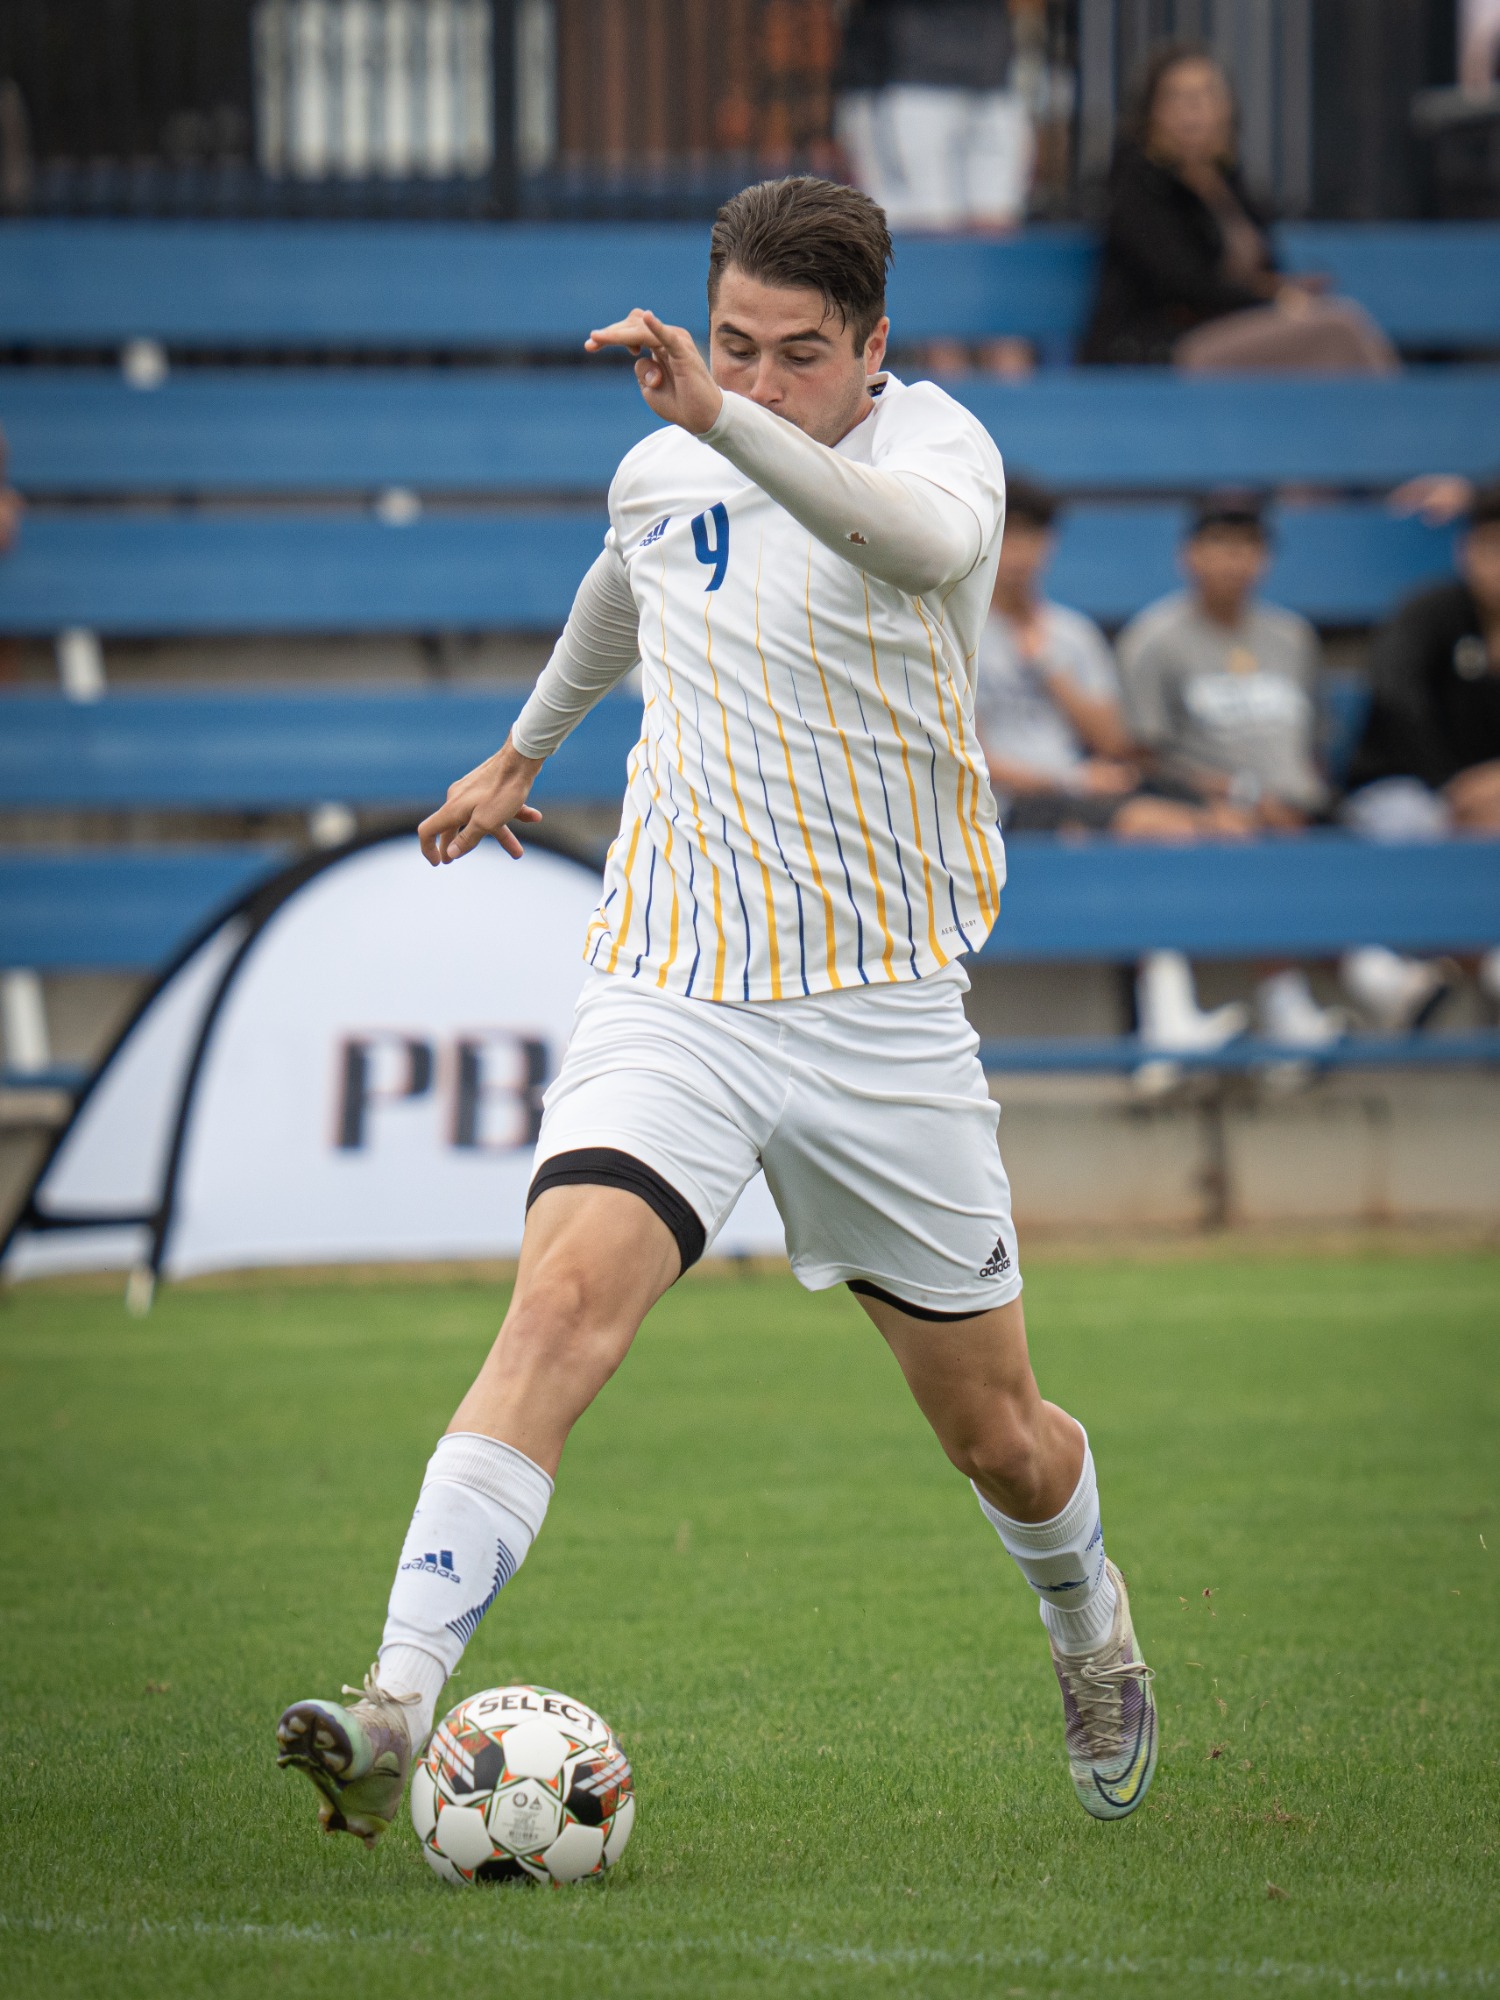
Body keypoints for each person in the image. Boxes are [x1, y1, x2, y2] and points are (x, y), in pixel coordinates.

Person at [275, 177, 1156, 1844]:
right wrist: (524, 752)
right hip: (676, 985)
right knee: (556, 1313)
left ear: (875, 347)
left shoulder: (937, 457)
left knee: (1001, 1440)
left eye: (797, 357)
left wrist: (721, 426)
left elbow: (917, 547)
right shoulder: (668, 460)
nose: (753, 382)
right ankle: (392, 1700)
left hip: (881, 1016)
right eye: (732, 346)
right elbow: (627, 578)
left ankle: (1086, 1618)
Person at [1118, 494, 1348, 1049]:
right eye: (1218, 545)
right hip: (1214, 809)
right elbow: (1143, 755)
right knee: (1239, 840)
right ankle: (1290, 1005)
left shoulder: (1294, 637)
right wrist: (1242, 795)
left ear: (1265, 558)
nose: (1233, 560)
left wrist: (1301, 801)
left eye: (1248, 546)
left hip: (1301, 809)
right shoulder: (1154, 638)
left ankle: (1368, 981)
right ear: (1187, 556)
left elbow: (1314, 742)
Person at [1079, 42, 1396, 374]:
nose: (1194, 108)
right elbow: (1184, 281)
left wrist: (1281, 289)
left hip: (1236, 330)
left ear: (1226, 106)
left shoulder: (1228, 182)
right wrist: (1273, 298)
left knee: (1333, 341)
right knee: (1339, 329)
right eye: (1178, 97)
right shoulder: (1139, 186)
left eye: (1205, 95)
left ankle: (1388, 420)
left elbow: (1260, 267)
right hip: (1170, 346)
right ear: (1152, 111)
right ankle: (1398, 421)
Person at [974, 472, 1241, 839]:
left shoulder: (1074, 634)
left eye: (1032, 535)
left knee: (1223, 818)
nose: (1020, 552)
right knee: (1161, 825)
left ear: (1049, 543)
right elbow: (972, 759)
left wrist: (1051, 668)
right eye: (1009, 535)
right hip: (1010, 804)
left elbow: (1113, 742)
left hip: (1082, 793)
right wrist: (1072, 780)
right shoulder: (963, 635)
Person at [1342, 480, 1500, 1025]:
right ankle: (1453, 963)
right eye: (1492, 547)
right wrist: (1452, 783)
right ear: (1467, 551)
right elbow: (1395, 695)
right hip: (1400, 786)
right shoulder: (1430, 614)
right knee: (1412, 832)